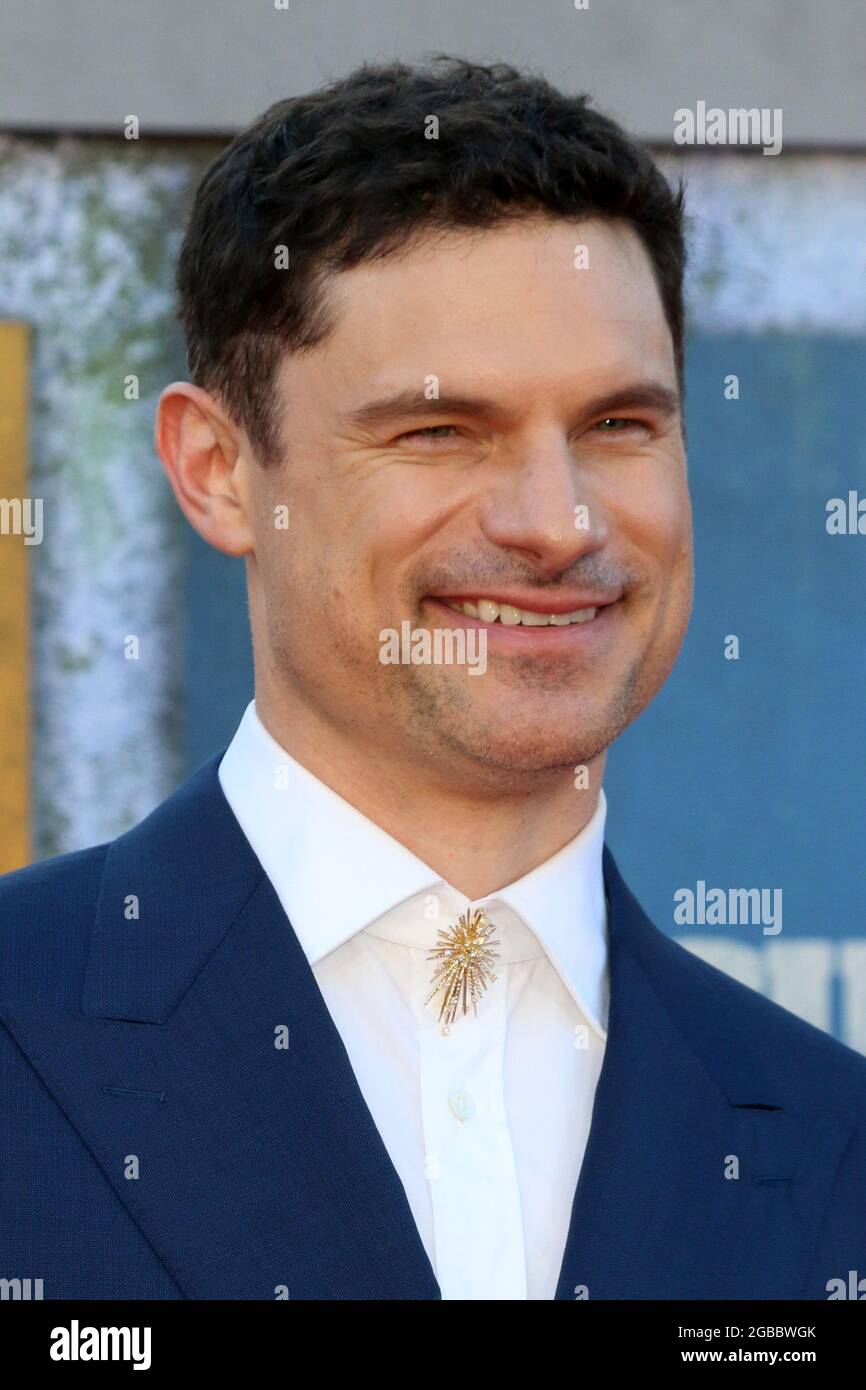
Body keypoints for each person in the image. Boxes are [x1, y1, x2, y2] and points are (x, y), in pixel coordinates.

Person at [2, 56, 864, 1302]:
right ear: (218, 469)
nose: (556, 521)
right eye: (438, 431)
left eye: (617, 425)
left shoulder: (830, 1140)